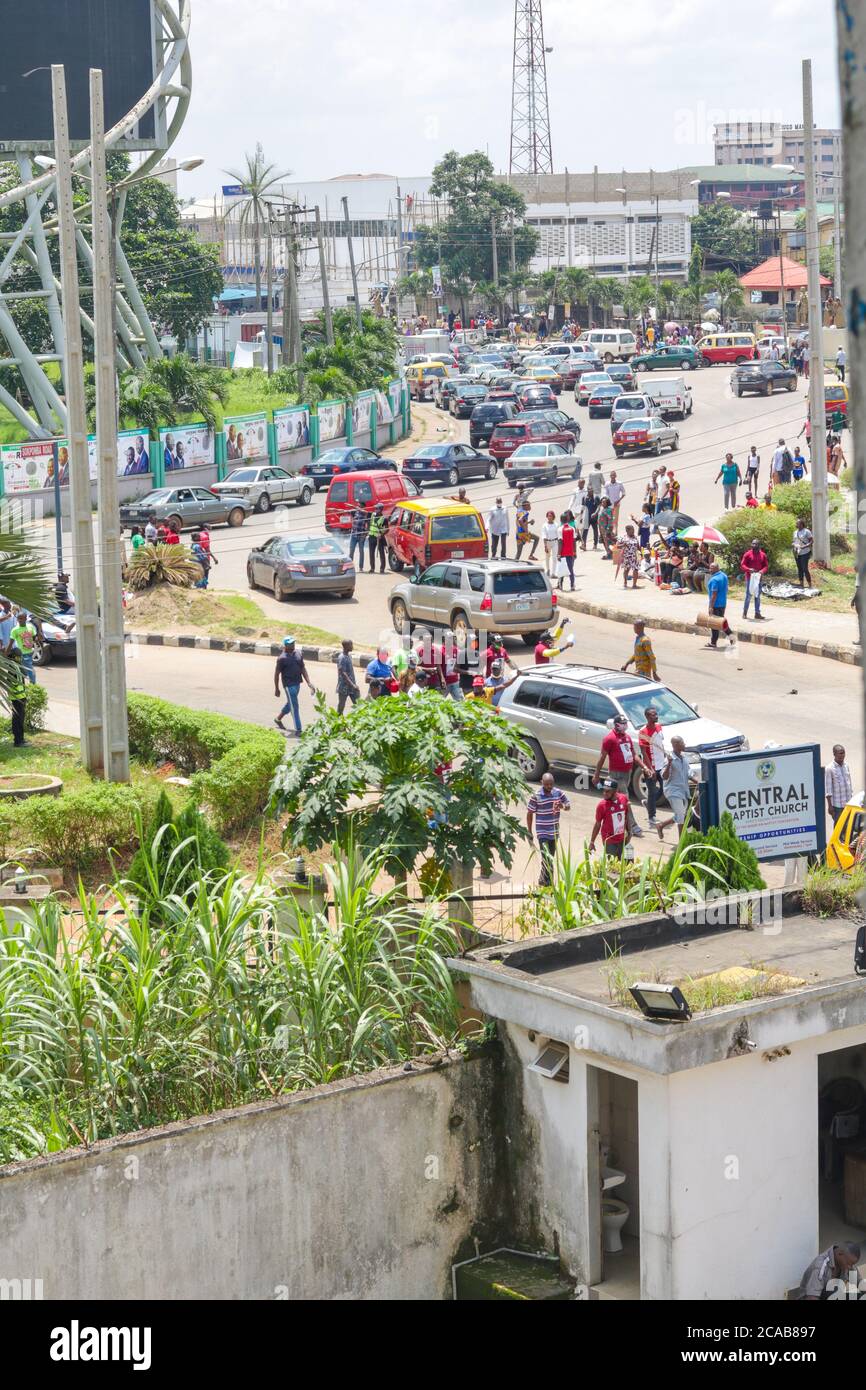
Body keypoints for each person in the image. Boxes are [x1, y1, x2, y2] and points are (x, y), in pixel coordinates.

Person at [592, 714, 645, 837]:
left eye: (626, 723)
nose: (626, 725)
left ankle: (617, 822)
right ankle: (633, 826)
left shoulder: (626, 737)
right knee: (625, 799)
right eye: (623, 723)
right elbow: (602, 757)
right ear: (616, 725)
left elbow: (633, 754)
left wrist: (644, 767)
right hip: (616, 776)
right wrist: (596, 775)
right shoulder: (609, 739)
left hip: (627, 773)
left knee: (619, 800)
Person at [526, 772, 571, 886]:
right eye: (546, 784)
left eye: (551, 784)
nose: (549, 787)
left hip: (554, 832)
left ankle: (543, 880)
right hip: (542, 832)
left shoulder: (558, 793)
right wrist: (529, 831)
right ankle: (549, 883)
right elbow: (530, 813)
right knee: (546, 857)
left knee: (550, 858)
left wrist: (563, 806)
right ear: (542, 782)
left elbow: (568, 806)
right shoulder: (536, 796)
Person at [274, 636, 316, 736]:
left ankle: (278, 719)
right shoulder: (281, 658)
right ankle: (299, 729)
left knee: (291, 704)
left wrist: (309, 682)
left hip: (297, 684)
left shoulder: (298, 654)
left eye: (293, 643)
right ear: (285, 645)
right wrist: (277, 688)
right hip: (288, 686)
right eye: (290, 644)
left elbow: (303, 669)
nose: (292, 645)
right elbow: (276, 674)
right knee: (295, 707)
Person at [654, 736, 693, 841]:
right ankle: (682, 842)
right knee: (681, 817)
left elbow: (688, 773)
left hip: (683, 791)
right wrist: (670, 764)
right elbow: (664, 776)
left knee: (680, 815)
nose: (684, 744)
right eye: (682, 743)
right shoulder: (668, 760)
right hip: (673, 791)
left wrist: (697, 782)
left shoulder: (684, 758)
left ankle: (661, 825)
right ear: (676, 745)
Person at [792, 1242, 860, 1300]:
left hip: (832, 1294)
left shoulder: (847, 1262)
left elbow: (859, 1282)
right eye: (848, 1264)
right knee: (834, 1290)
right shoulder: (820, 1265)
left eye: (852, 1264)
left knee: (856, 1294)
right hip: (812, 1297)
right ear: (840, 1254)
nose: (850, 1267)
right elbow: (811, 1297)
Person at [588, 779, 631, 860]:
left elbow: (627, 816)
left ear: (615, 791)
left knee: (627, 862)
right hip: (609, 840)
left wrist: (629, 832)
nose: (604, 793)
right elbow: (597, 824)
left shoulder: (624, 799)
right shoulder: (602, 805)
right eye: (604, 790)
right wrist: (592, 842)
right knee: (612, 865)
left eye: (608, 791)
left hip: (622, 838)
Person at [638, 707, 667, 828]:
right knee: (651, 792)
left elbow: (660, 744)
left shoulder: (659, 727)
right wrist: (650, 769)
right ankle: (652, 817)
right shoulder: (643, 732)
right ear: (647, 717)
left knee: (664, 789)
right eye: (653, 715)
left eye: (656, 714)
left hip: (662, 764)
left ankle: (648, 804)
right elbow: (644, 752)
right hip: (652, 767)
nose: (656, 716)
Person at [705, 560, 733, 649]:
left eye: (711, 568)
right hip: (723, 603)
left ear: (716, 569)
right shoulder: (724, 576)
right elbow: (726, 589)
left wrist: (710, 606)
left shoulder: (714, 580)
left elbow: (714, 594)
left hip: (716, 605)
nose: (710, 570)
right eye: (710, 568)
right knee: (720, 623)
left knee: (715, 624)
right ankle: (731, 637)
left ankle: (714, 643)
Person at [740, 538, 769, 620]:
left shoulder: (763, 555)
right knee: (748, 595)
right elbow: (742, 565)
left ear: (759, 545)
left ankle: (757, 613)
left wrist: (762, 571)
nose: (754, 545)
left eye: (756, 544)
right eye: (753, 544)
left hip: (759, 578)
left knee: (757, 595)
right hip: (750, 577)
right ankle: (745, 613)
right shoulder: (747, 554)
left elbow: (766, 566)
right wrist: (749, 569)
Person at [825, 744, 853, 826]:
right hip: (837, 806)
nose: (842, 755)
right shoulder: (829, 768)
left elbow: (849, 783)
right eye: (840, 753)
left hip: (848, 804)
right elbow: (828, 789)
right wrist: (830, 806)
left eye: (843, 753)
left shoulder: (846, 766)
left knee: (848, 827)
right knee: (839, 827)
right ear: (834, 754)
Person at [7, 646, 27, 748]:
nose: (21, 658)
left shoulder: (16, 665)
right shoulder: (14, 667)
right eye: (19, 657)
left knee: (20, 719)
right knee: (17, 720)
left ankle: (21, 739)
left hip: (20, 697)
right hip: (17, 698)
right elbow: (25, 674)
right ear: (15, 657)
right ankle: (18, 741)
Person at [10, 610, 37, 684]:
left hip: (29, 652)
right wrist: (6, 652)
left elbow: (34, 637)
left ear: (25, 619)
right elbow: (10, 642)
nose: (19, 620)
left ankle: (32, 685)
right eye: (18, 618)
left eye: (21, 618)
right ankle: (31, 685)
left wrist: (33, 642)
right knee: (28, 670)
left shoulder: (30, 626)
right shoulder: (15, 630)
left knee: (28, 670)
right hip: (22, 653)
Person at [336, 638, 361, 714]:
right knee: (341, 707)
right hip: (344, 687)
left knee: (359, 705)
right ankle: (338, 722)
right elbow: (343, 673)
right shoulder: (342, 658)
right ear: (346, 646)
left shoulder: (348, 656)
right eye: (351, 645)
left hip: (352, 686)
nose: (352, 646)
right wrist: (353, 685)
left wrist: (353, 685)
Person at [514, 488, 539, 561]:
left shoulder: (519, 511)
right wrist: (525, 530)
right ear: (525, 506)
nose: (530, 507)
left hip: (518, 534)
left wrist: (528, 523)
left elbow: (519, 521)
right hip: (523, 534)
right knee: (537, 538)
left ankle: (514, 565)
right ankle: (531, 555)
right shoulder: (525, 512)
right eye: (529, 505)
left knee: (518, 553)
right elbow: (520, 520)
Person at [617, 524, 642, 590]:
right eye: (632, 530)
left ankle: (634, 585)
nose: (633, 531)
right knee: (626, 570)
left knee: (636, 569)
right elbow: (617, 546)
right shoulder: (623, 537)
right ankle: (625, 582)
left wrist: (640, 554)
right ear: (627, 531)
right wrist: (623, 544)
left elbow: (638, 546)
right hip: (627, 556)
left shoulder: (635, 537)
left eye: (633, 530)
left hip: (635, 556)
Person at [792, 516, 814, 587]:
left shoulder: (806, 531)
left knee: (805, 568)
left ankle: (810, 585)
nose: (796, 524)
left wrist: (804, 546)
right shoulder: (795, 532)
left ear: (801, 524)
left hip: (805, 552)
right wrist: (793, 544)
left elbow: (811, 541)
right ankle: (801, 584)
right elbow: (794, 541)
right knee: (799, 568)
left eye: (797, 523)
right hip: (797, 553)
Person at [558, 511, 577, 590]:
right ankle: (572, 585)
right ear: (567, 519)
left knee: (562, 569)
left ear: (561, 520)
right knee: (570, 570)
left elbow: (560, 542)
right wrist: (574, 551)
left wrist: (559, 554)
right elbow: (574, 541)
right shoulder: (572, 528)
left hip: (563, 553)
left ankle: (560, 585)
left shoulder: (560, 529)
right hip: (570, 552)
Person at [348, 504, 369, 572]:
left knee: (361, 551)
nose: (358, 507)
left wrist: (365, 535)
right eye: (358, 506)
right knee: (351, 551)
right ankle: (350, 567)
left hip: (361, 536)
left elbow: (367, 526)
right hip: (354, 535)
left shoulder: (365, 514)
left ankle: (361, 567)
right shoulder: (355, 512)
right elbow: (349, 512)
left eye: (360, 506)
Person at [367, 504, 388, 573]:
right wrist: (368, 532)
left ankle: (382, 569)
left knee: (381, 553)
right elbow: (369, 524)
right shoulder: (372, 515)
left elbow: (387, 529)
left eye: (377, 509)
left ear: (380, 510)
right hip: (371, 536)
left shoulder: (384, 519)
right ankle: (372, 568)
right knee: (371, 553)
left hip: (379, 538)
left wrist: (381, 534)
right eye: (375, 508)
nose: (375, 510)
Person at [541, 509, 560, 578]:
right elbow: (544, 536)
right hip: (548, 542)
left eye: (551, 516)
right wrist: (545, 546)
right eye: (548, 516)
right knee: (547, 557)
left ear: (553, 517)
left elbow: (558, 535)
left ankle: (553, 573)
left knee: (554, 558)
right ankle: (548, 569)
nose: (549, 517)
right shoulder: (544, 525)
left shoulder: (556, 525)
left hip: (555, 542)